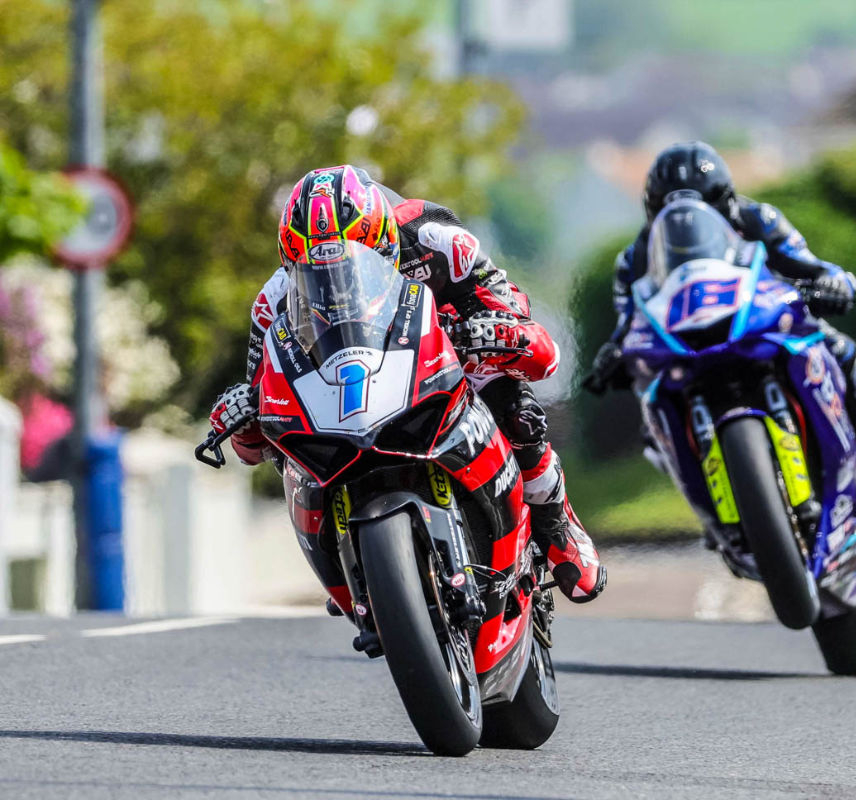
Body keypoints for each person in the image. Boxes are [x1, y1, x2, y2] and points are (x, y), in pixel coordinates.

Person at [209, 165, 605, 606]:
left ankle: (555, 520)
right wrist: (244, 416)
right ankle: (343, 557)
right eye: (316, 270)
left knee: (517, 407)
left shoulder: (438, 240)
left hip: (440, 359)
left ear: (382, 238)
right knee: (289, 452)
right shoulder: (273, 300)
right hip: (346, 389)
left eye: (354, 257)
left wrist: (497, 333)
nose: (339, 281)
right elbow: (258, 420)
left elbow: (538, 348)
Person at [584, 141, 856, 510]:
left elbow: (810, 264)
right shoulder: (634, 259)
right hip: (686, 344)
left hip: (767, 321)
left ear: (724, 200)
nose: (686, 222)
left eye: (700, 207)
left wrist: (833, 282)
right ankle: (710, 509)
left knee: (848, 359)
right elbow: (629, 318)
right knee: (652, 422)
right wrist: (614, 351)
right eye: (671, 210)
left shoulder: (759, 219)